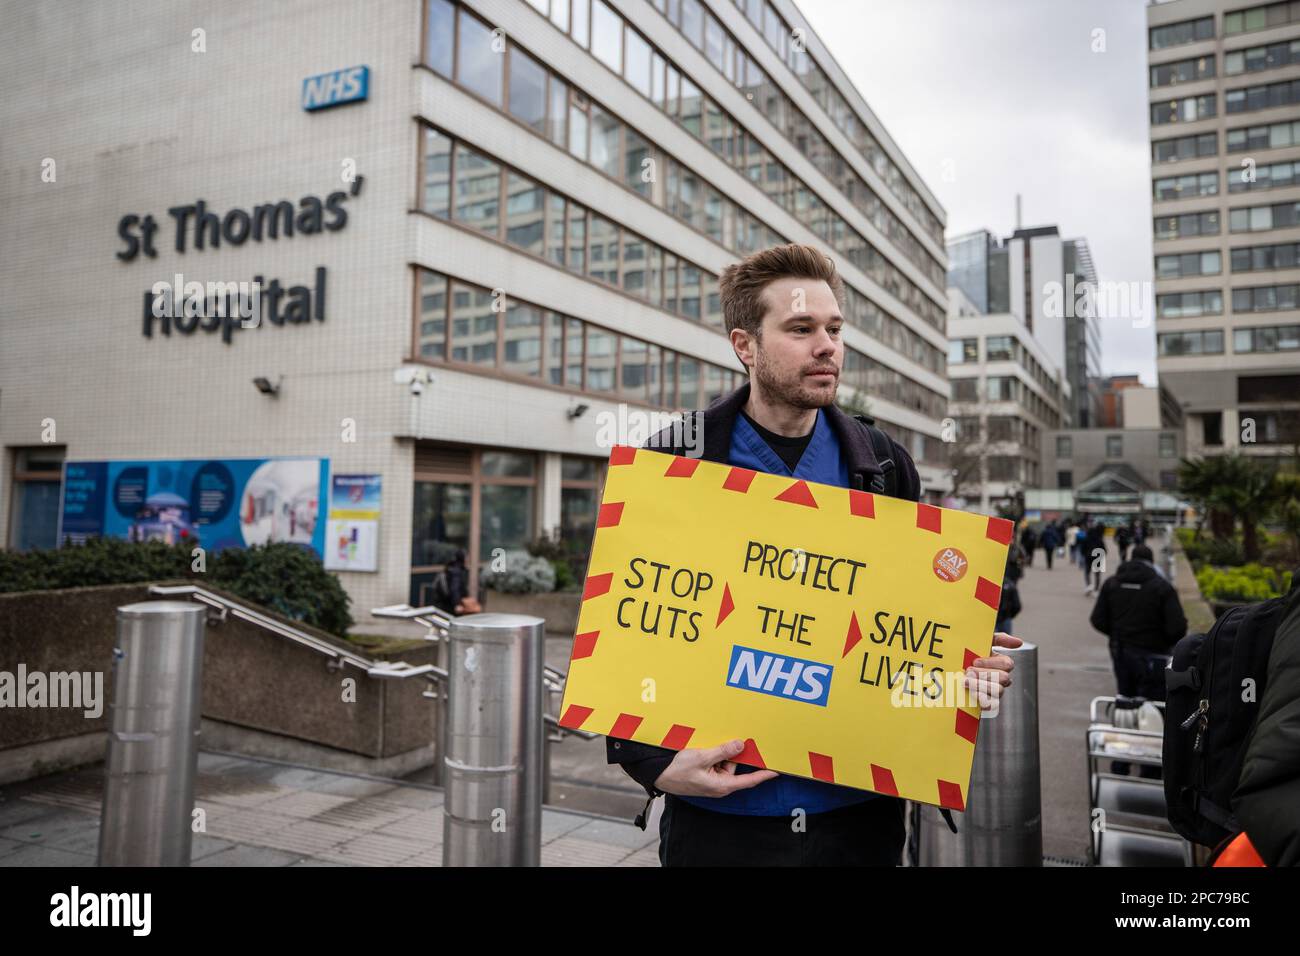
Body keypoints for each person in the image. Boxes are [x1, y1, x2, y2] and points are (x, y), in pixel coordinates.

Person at [605, 243, 1023, 867]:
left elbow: (899, 623)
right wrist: (655, 767)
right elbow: (632, 622)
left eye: (834, 329)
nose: (827, 345)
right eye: (800, 329)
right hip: (722, 820)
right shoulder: (677, 459)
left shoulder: (882, 464)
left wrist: (958, 660)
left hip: (860, 815)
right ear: (745, 345)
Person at [1088, 544, 1187, 776]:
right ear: (1151, 562)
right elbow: (1177, 627)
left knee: (1125, 703)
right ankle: (1149, 768)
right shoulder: (1162, 588)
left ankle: (1119, 762)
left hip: (1121, 653)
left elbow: (1097, 619)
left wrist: (1117, 633)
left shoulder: (1112, 584)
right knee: (1151, 709)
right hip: (1153, 657)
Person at [430, 549, 482, 616]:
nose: (468, 559)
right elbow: (455, 588)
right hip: (452, 605)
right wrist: (457, 604)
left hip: (445, 604)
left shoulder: (450, 567)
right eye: (466, 557)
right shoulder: (456, 571)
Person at [1082, 521, 1106, 595]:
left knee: (1087, 572)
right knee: (1097, 574)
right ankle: (1096, 589)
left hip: (1088, 556)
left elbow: (1083, 548)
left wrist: (1084, 554)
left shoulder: (1087, 538)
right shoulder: (1099, 538)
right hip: (1098, 555)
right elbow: (1104, 548)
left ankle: (1089, 585)